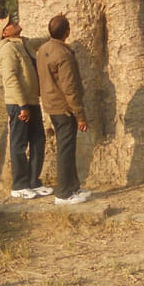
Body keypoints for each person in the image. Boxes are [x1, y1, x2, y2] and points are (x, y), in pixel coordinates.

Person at [0, 15, 52, 200]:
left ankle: (34, 181)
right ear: (4, 33)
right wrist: (22, 105)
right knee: (19, 144)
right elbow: (10, 79)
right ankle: (19, 185)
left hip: (31, 100)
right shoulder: (8, 50)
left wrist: (55, 27)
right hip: (19, 103)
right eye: (9, 24)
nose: (14, 23)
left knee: (38, 141)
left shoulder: (23, 43)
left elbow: (43, 40)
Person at [36, 13, 91, 205]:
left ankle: (74, 187)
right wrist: (80, 115)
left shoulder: (42, 49)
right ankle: (64, 193)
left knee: (67, 148)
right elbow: (70, 88)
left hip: (51, 105)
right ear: (67, 31)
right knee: (66, 150)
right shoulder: (64, 55)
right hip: (65, 108)